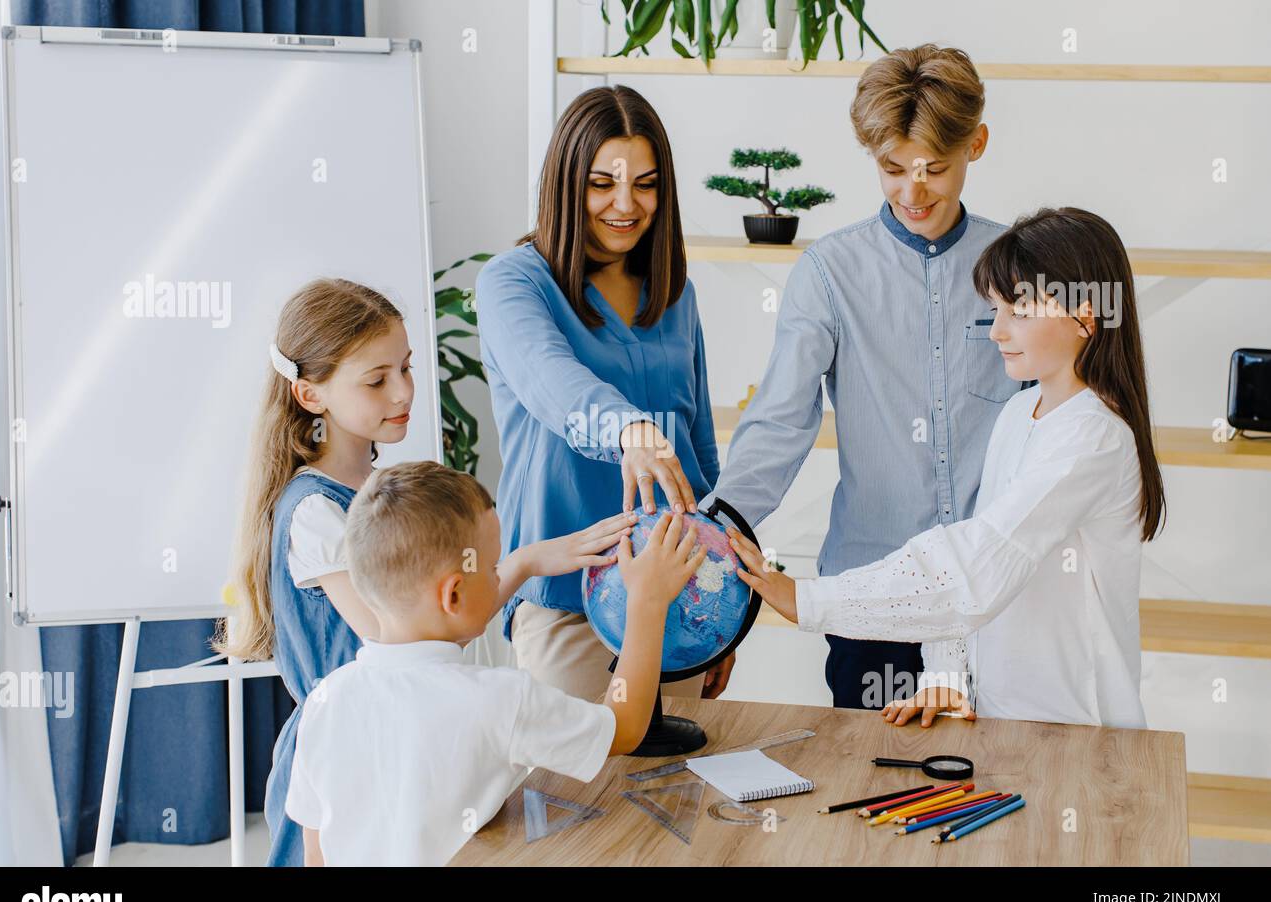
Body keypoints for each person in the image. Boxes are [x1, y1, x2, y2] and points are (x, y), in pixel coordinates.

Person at [220, 279, 637, 865]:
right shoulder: (314, 512)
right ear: (310, 395)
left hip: (401, 749)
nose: (403, 392)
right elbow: (406, 626)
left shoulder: (378, 490)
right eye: (377, 380)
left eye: (407, 368)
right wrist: (524, 563)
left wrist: (536, 558)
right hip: (359, 758)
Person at [728, 208, 1165, 730]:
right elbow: (968, 541)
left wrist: (808, 599)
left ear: (1086, 316)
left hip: (1079, 736)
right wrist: (947, 673)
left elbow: (977, 567)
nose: (997, 331)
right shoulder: (1017, 414)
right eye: (996, 309)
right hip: (1003, 724)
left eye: (1019, 311)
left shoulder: (1091, 438)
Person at [705, 44, 1022, 711]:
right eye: (892, 169)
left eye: (935, 168)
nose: (914, 191)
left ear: (977, 145)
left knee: (1001, 798)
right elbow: (779, 423)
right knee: (873, 799)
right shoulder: (829, 274)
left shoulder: (1018, 268)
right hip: (872, 601)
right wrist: (712, 540)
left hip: (996, 596)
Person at [286, 462, 708, 865]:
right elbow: (627, 727)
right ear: (452, 595)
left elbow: (315, 851)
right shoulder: (501, 699)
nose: (498, 575)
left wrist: (525, 563)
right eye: (491, 568)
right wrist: (646, 604)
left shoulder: (325, 702)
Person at [478, 85, 729, 701]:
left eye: (645, 184)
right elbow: (552, 380)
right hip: (569, 609)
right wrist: (630, 432)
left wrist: (730, 599)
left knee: (684, 794)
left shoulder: (673, 294)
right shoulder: (514, 283)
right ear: (565, 183)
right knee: (576, 795)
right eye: (602, 183)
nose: (626, 204)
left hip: (683, 603)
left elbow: (697, 450)